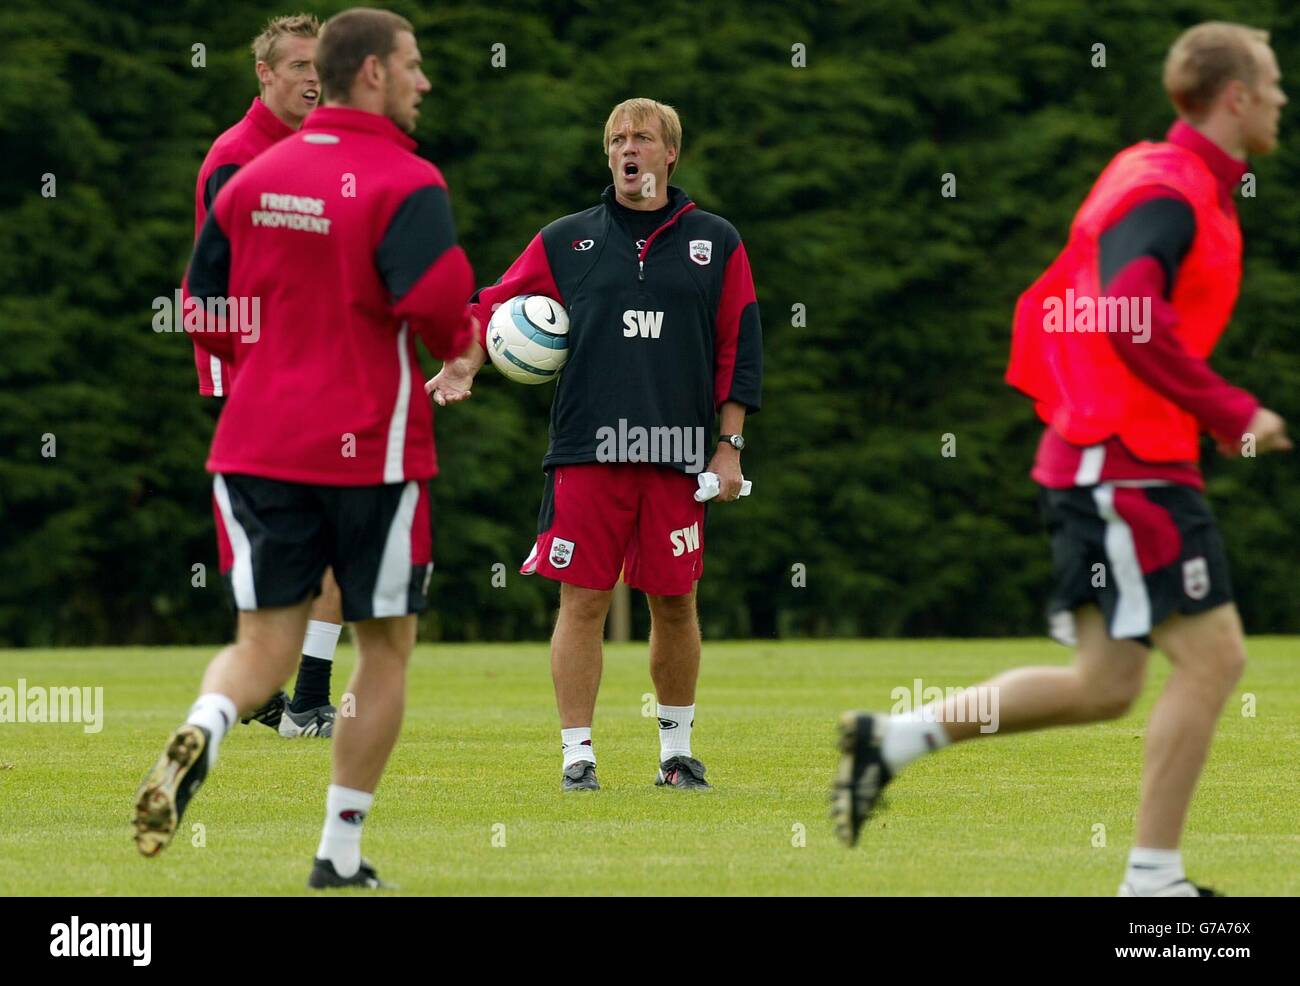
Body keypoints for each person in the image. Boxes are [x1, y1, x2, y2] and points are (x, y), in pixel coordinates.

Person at [833, 21, 1290, 897]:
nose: (1279, 97)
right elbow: (1126, 312)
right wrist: (1231, 409)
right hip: (1123, 462)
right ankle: (1153, 885)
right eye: (1270, 82)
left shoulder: (1170, 176)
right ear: (1234, 95)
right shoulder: (1168, 185)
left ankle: (893, 738)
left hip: (1105, 456)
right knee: (1216, 658)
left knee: (1105, 684)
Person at [136, 7, 477, 888]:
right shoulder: (408, 182)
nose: (424, 82)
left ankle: (207, 725)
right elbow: (440, 314)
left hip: (254, 442)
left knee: (261, 646)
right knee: (386, 648)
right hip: (372, 451)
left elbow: (200, 307)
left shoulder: (252, 177)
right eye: (412, 65)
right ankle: (340, 852)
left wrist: (278, 358)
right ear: (371, 73)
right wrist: (472, 346)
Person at [427, 98, 763, 792]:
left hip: (676, 454)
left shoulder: (716, 241)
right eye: (617, 139)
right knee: (581, 600)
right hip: (588, 449)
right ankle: (577, 757)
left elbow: (739, 346)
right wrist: (464, 361)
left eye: (641, 137)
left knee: (676, 603)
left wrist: (728, 446)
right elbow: (491, 306)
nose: (627, 148)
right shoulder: (566, 239)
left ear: (670, 154)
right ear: (607, 154)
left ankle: (677, 753)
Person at [187, 12, 340, 737]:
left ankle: (302, 698)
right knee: (271, 543)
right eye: (300, 65)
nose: (314, 77)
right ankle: (273, 691)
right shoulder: (236, 156)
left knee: (336, 531)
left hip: (325, 375)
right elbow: (211, 296)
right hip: (250, 378)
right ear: (265, 73)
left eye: (322, 66)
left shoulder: (329, 149)